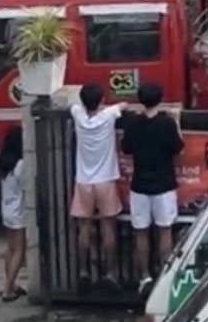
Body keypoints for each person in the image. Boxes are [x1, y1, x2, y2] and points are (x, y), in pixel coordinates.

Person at [121, 82, 183, 292]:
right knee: (165, 230)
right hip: (164, 184)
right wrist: (176, 121)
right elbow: (177, 147)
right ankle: (165, 276)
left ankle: (144, 277)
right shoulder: (167, 124)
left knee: (141, 232)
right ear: (160, 98)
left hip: (139, 184)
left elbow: (126, 148)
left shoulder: (133, 124)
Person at [71, 82, 126, 286]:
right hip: (105, 180)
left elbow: (71, 103)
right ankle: (110, 273)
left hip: (83, 180)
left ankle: (84, 271)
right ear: (101, 100)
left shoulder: (77, 114)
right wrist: (111, 106)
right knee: (108, 227)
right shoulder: (109, 115)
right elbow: (123, 106)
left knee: (83, 227)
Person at [0, 125, 26, 302]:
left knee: (10, 248)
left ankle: (11, 284)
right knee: (19, 251)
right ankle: (8, 289)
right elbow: (25, 186)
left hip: (6, 209)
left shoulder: (2, 162)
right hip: (18, 211)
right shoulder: (21, 165)